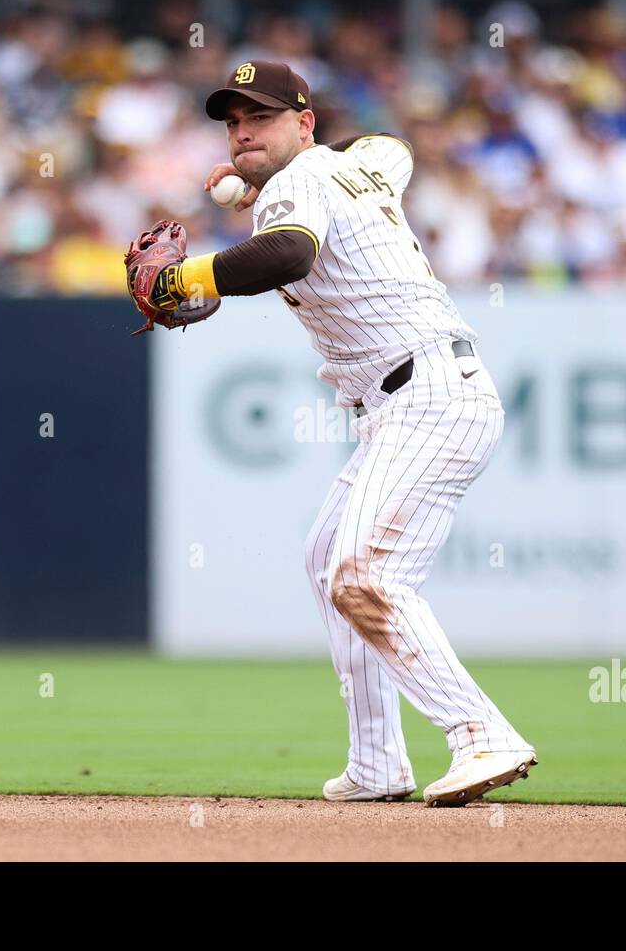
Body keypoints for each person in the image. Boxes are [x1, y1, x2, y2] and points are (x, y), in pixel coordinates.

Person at [147, 60, 536, 806]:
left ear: (304, 123)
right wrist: (267, 177)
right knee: (328, 559)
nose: (241, 132)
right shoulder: (361, 170)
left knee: (363, 573)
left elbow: (290, 253)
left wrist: (189, 277)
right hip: (418, 396)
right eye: (233, 122)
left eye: (259, 117)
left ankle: (480, 734)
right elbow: (390, 145)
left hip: (427, 395)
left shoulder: (300, 186)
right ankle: (377, 762)